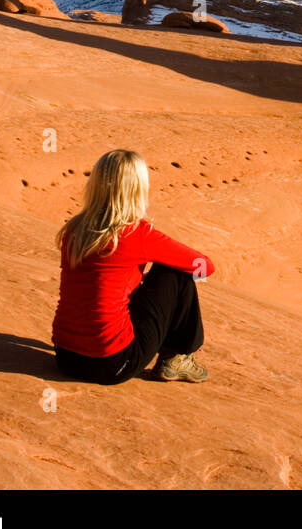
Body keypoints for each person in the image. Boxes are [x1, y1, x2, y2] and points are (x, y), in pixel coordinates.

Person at [51, 149, 215, 384]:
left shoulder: (74, 230)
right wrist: (175, 288)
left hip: (66, 358)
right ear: (138, 188)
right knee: (177, 272)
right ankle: (177, 358)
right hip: (113, 364)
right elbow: (204, 266)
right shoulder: (136, 234)